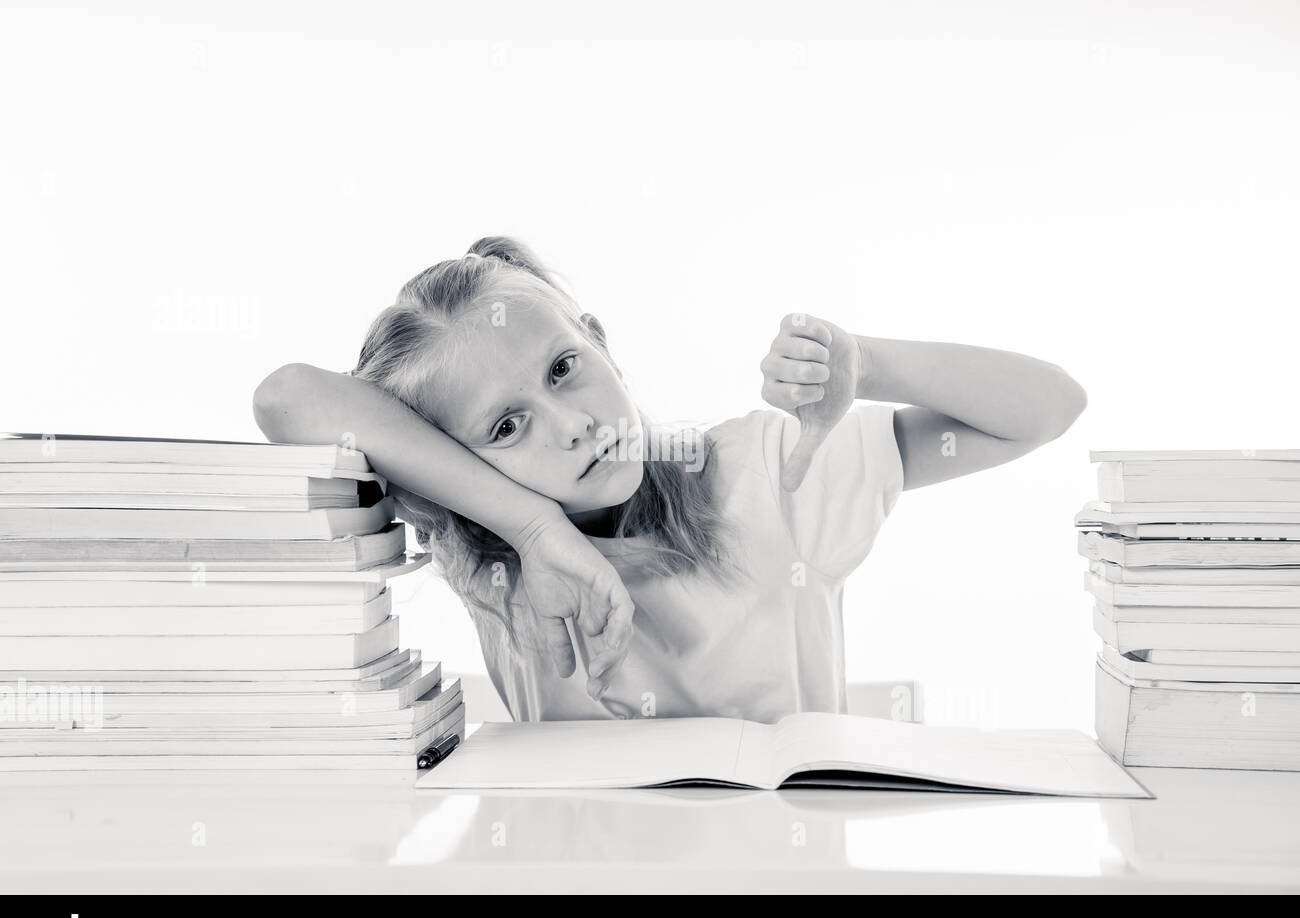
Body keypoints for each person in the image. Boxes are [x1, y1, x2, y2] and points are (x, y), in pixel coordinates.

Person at [253, 236, 1086, 722]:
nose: (571, 422)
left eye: (564, 368)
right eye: (505, 428)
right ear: (455, 467)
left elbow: (1048, 406)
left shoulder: (768, 473)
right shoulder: (487, 556)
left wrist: (868, 365)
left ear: (604, 345)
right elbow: (287, 398)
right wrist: (536, 531)